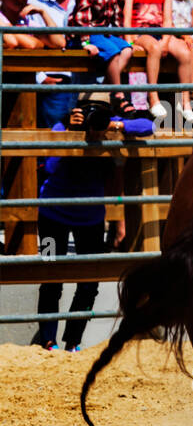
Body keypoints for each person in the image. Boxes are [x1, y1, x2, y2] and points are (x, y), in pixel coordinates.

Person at [30, 98, 126, 352]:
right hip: (52, 215)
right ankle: (47, 341)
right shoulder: (63, 129)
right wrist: (72, 129)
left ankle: (73, 341)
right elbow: (49, 165)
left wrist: (117, 125)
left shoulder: (109, 129)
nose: (96, 125)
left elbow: (144, 126)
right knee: (50, 276)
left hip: (91, 220)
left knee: (89, 283)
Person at [70, 0, 133, 117]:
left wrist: (123, 40)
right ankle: (118, 94)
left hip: (105, 33)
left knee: (127, 50)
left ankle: (104, 88)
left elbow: (117, 19)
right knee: (113, 52)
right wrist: (86, 43)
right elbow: (82, 20)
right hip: (87, 33)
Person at [121, 0, 174, 120]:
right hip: (140, 34)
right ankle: (153, 96)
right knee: (153, 47)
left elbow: (167, 19)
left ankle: (187, 100)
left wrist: (166, 40)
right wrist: (129, 42)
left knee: (185, 52)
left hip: (161, 33)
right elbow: (126, 21)